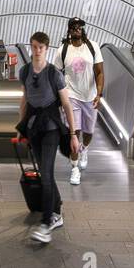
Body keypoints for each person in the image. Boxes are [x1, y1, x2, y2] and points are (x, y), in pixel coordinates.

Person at [16, 31, 80, 243]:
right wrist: (21, 127)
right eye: (34, 47)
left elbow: (68, 105)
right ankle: (57, 211)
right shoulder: (24, 71)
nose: (36, 51)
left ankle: (46, 224)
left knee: (45, 172)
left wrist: (73, 135)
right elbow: (25, 100)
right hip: (34, 127)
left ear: (46, 48)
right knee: (46, 172)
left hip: (52, 128)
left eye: (40, 48)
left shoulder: (54, 74)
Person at [57, 17, 105, 185]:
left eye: (80, 27)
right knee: (74, 133)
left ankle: (85, 149)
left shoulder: (93, 46)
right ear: (69, 30)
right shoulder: (63, 50)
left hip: (90, 96)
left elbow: (99, 72)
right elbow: (56, 74)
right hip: (72, 97)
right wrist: (59, 97)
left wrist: (99, 94)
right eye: (75, 27)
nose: (78, 29)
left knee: (89, 131)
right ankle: (74, 168)